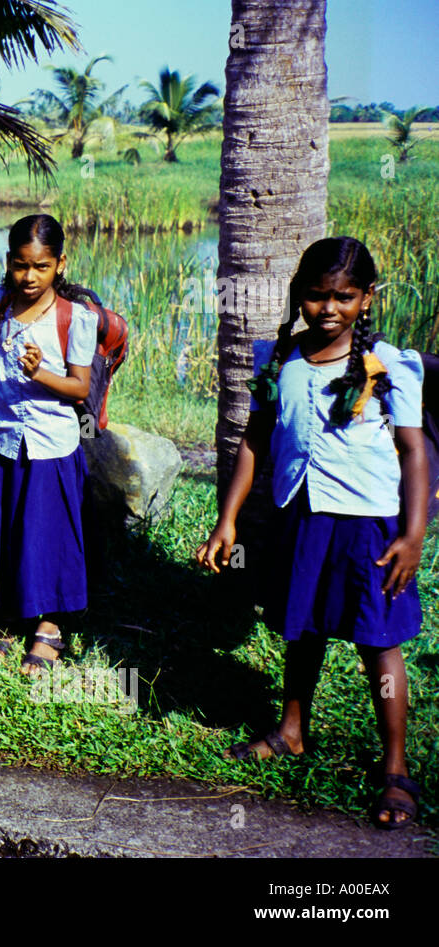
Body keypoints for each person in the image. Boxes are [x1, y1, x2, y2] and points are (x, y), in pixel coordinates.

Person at [195, 236, 427, 830]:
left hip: (370, 523)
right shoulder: (279, 357)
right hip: (302, 516)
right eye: (317, 296)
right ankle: (292, 729)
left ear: (366, 298)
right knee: (302, 629)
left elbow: (413, 450)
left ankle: (395, 766)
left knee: (378, 641)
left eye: (343, 297)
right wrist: (228, 519)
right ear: (299, 295)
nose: (328, 309)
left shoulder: (389, 363)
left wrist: (413, 534)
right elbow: (254, 439)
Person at [0, 214, 97, 677]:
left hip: (50, 442)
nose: (29, 277)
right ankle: (10, 613)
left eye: (40, 266)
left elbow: (80, 388)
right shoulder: (1, 304)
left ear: (60, 264)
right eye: (21, 265)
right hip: (2, 435)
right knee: (5, 527)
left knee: (48, 534)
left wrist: (40, 372)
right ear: (9, 263)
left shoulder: (74, 318)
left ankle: (50, 625)